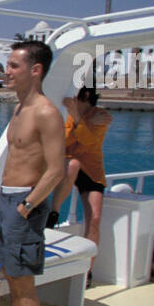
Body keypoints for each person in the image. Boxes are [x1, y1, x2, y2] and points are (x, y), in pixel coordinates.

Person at [0, 40, 66, 306]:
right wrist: (0, 200)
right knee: (10, 272)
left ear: (35, 70)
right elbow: (14, 159)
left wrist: (27, 205)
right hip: (8, 200)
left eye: (14, 66)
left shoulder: (46, 112)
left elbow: (56, 169)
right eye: (8, 65)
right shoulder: (19, 108)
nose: (6, 71)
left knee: (23, 281)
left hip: (25, 204)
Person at [50, 86, 112, 284]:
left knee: (94, 218)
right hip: (69, 165)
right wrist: (79, 121)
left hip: (92, 170)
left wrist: (77, 119)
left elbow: (88, 142)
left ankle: (88, 271)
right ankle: (54, 212)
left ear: (83, 98)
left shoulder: (102, 117)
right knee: (74, 163)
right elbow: (65, 143)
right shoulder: (68, 116)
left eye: (75, 98)